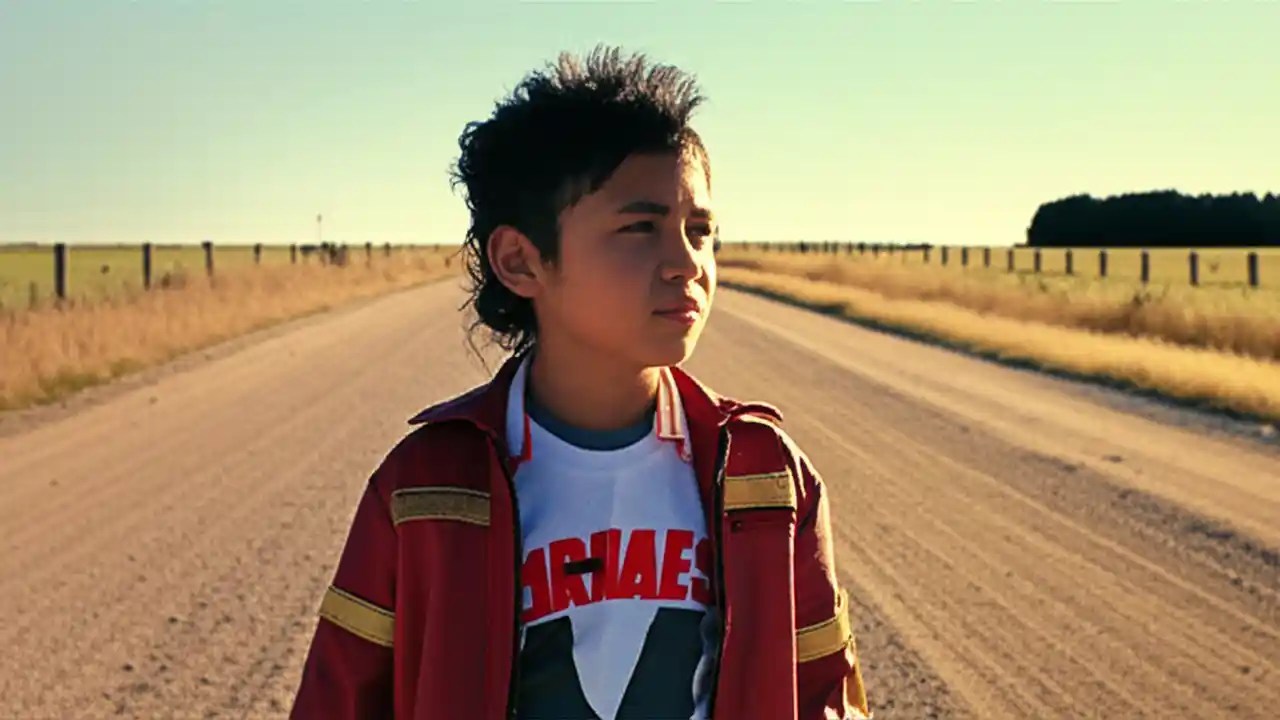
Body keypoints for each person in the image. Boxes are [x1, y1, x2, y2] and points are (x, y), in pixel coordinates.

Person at [289, 44, 871, 720]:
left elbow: (825, 694)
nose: (687, 264)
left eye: (700, 230)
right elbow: (341, 701)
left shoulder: (765, 477)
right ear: (521, 260)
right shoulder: (427, 487)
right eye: (639, 229)